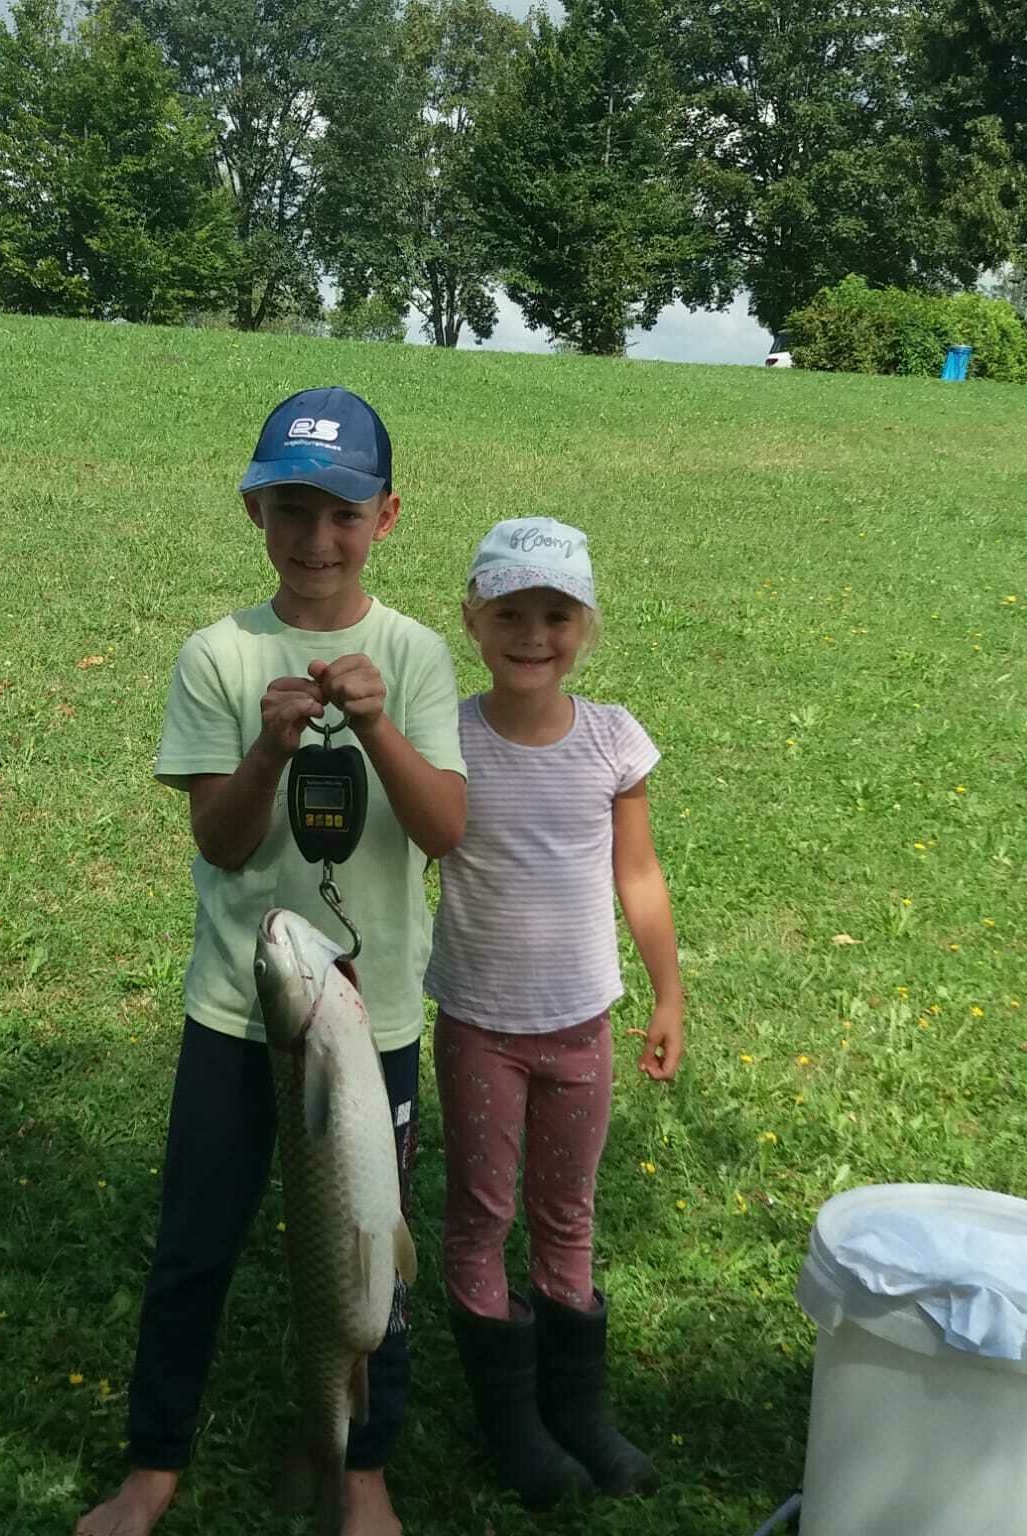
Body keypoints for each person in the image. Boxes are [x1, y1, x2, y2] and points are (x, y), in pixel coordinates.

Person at [77, 387, 466, 1536]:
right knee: (195, 1241)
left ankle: (361, 1471)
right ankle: (151, 1468)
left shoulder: (416, 653)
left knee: (372, 1262)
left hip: (377, 1018)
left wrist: (381, 726)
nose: (316, 538)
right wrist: (269, 743)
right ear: (254, 509)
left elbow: (444, 833)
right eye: (291, 509)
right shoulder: (219, 654)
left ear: (386, 517)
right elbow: (220, 838)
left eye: (342, 512)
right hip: (240, 1017)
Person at [424, 516, 686, 1508]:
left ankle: (575, 1410)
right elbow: (407, 852)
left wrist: (668, 994)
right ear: (473, 621)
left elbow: (639, 873)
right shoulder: (445, 739)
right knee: (482, 1216)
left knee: (565, 1215)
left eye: (555, 616)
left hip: (580, 1028)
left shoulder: (612, 740)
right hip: (478, 1027)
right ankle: (511, 1425)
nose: (532, 636)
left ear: (586, 625)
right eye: (510, 614)